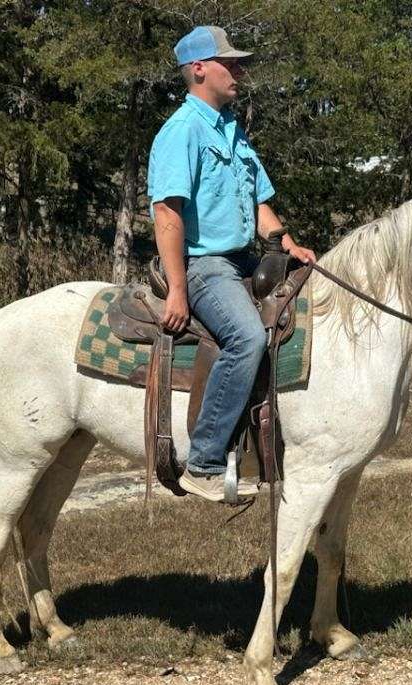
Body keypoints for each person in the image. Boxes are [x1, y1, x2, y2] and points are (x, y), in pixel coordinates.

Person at [147, 25, 317, 503]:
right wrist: (178, 288)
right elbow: (167, 212)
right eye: (232, 63)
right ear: (199, 69)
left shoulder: (231, 130)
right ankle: (202, 461)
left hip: (247, 258)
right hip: (206, 266)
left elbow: (260, 203)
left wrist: (288, 244)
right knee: (245, 337)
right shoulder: (182, 131)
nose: (240, 71)